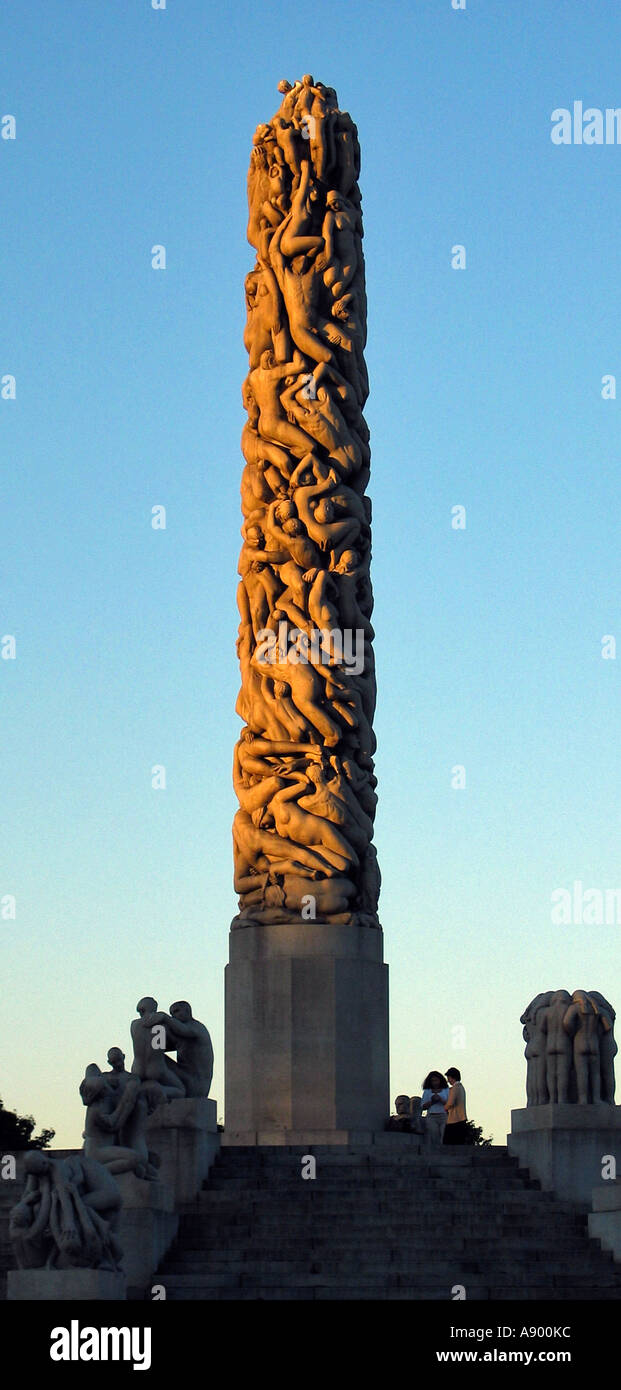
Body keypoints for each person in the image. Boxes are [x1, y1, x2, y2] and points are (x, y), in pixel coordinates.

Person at [420, 1071, 449, 1145]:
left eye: (436, 1080)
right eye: (432, 1080)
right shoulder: (427, 1091)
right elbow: (423, 1106)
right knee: (434, 1137)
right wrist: (432, 1101)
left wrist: (440, 1099)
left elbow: (450, 1104)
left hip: (444, 1115)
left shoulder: (446, 1090)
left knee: (444, 1136)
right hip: (432, 1116)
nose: (434, 1082)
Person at [443, 1067, 468, 1145]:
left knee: (450, 1142)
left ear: (452, 1077)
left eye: (449, 1078)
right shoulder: (460, 1087)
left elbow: (450, 1103)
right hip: (460, 1118)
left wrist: (443, 1108)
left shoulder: (455, 1088)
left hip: (455, 1119)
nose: (448, 1080)